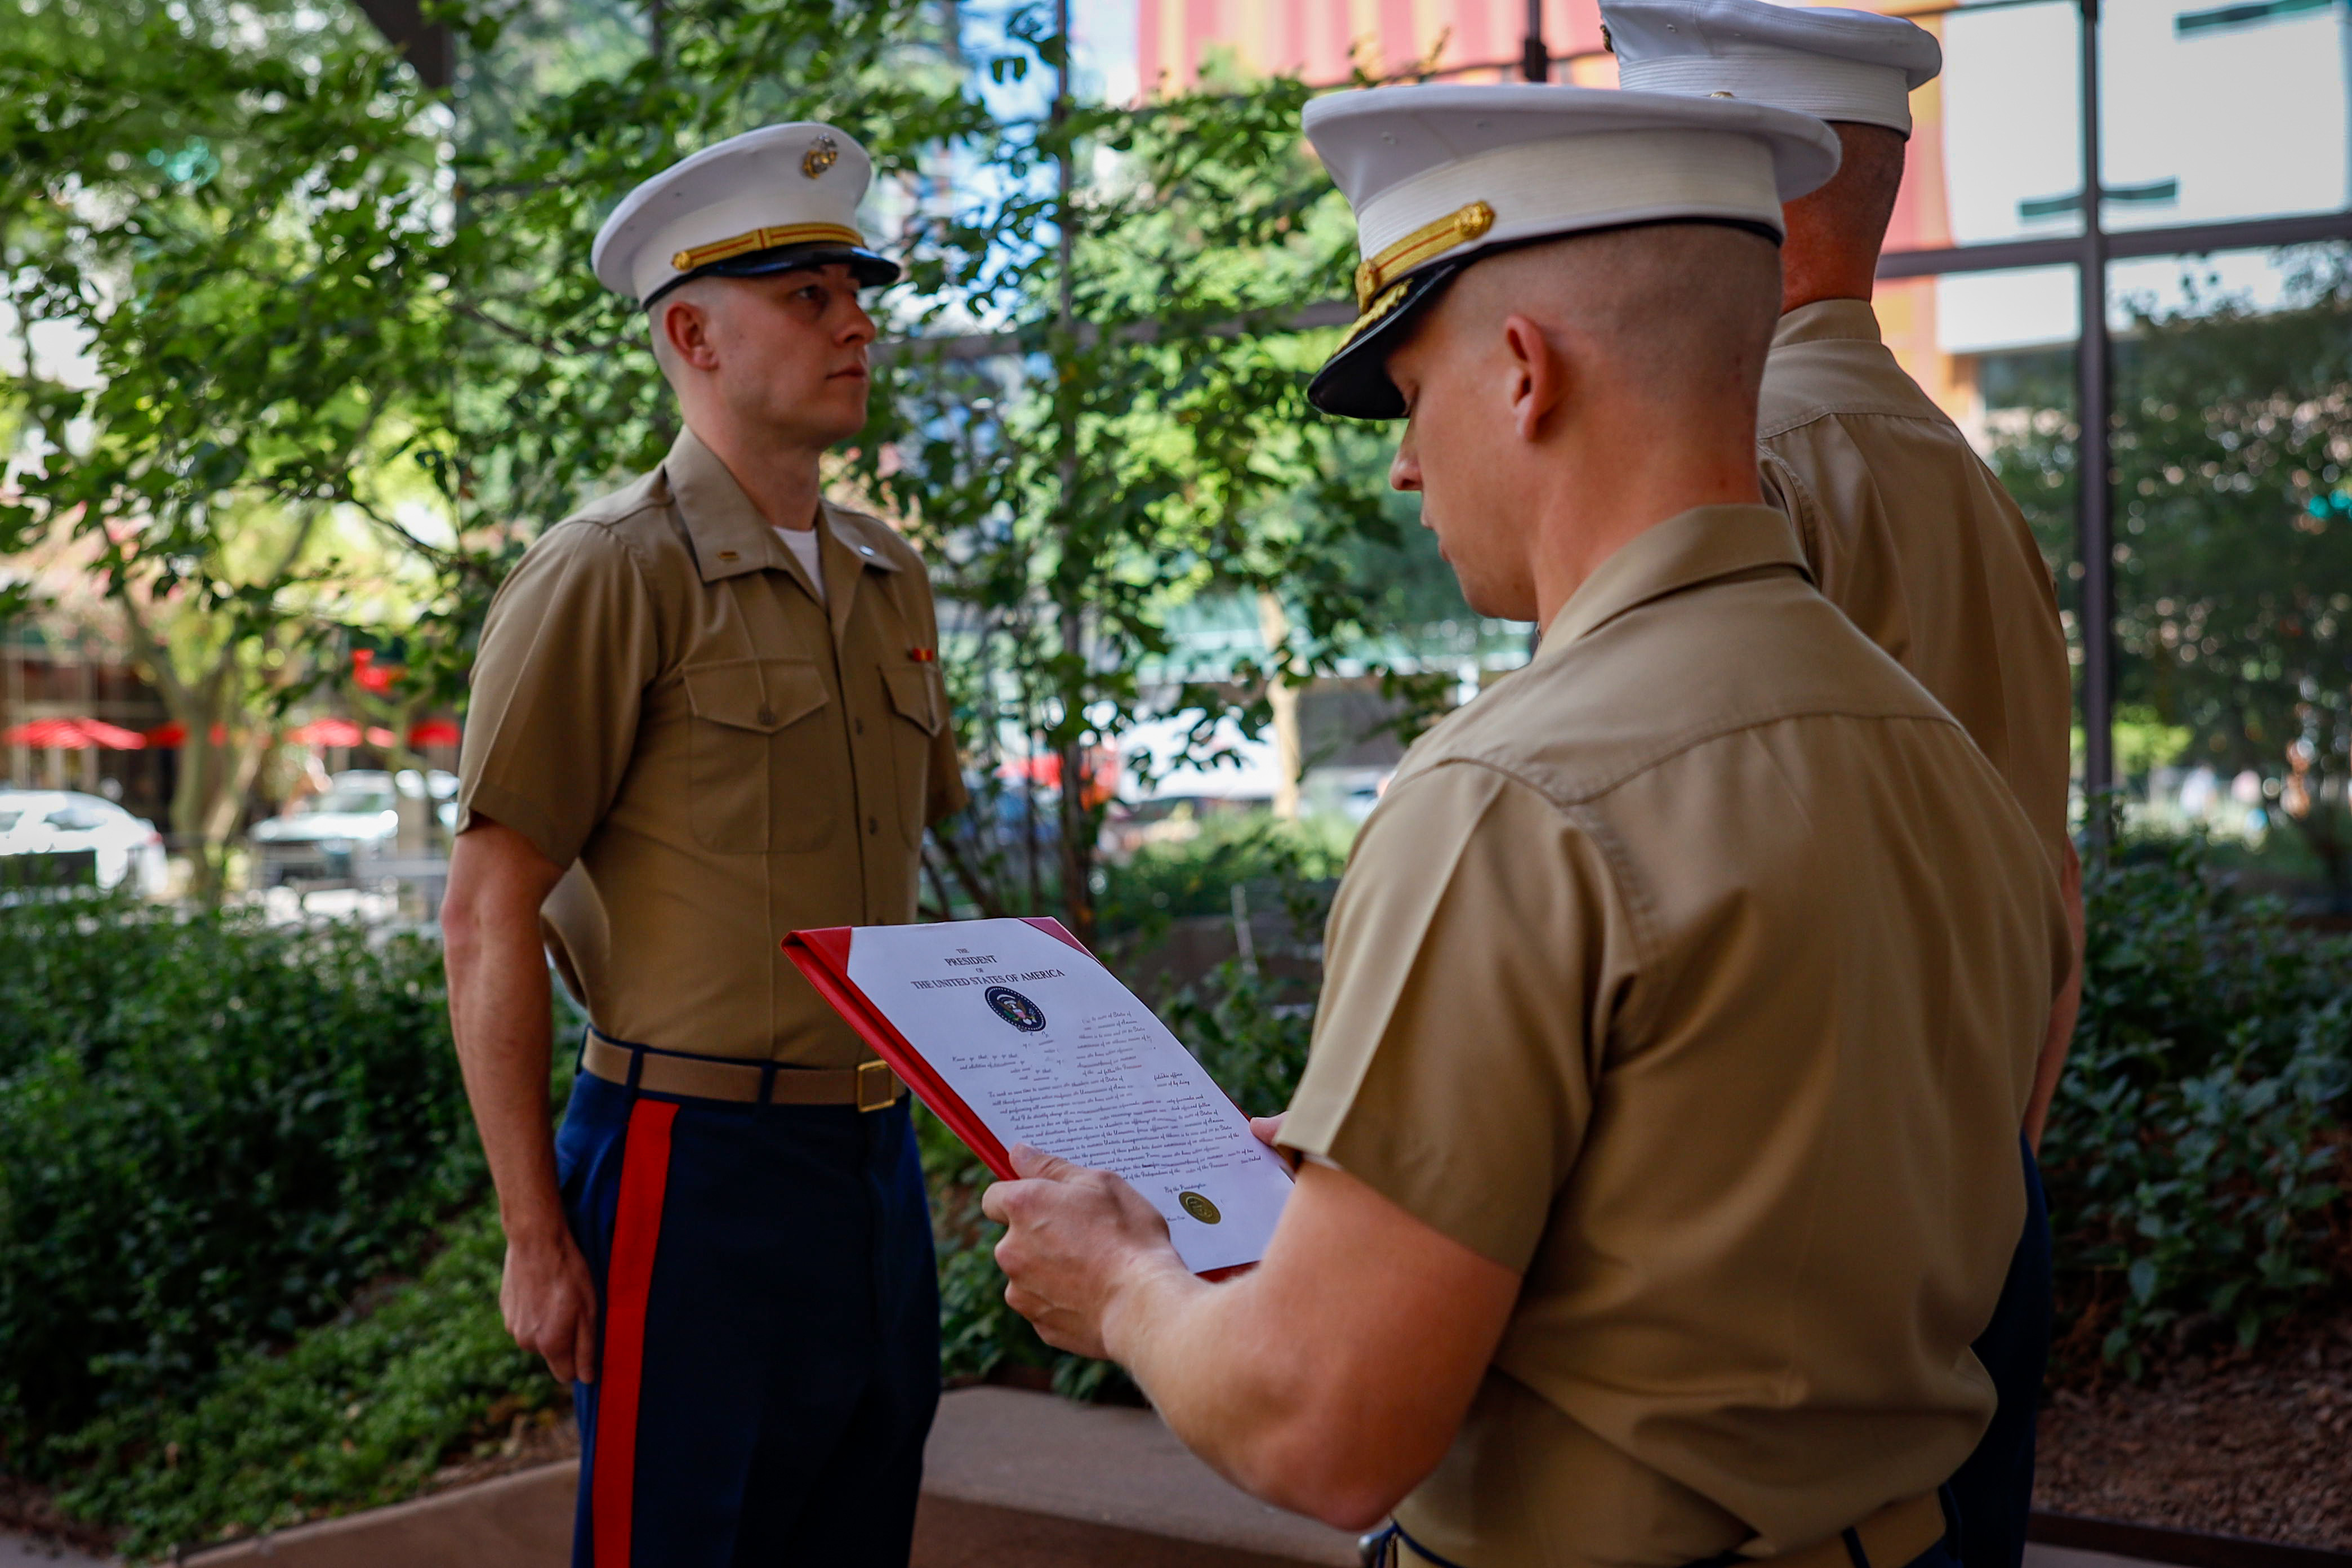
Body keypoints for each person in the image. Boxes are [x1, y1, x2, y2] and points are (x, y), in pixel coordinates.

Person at [981, 83, 2071, 1568]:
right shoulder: (1940, 755)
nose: (1406, 464)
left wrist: (1119, 1287)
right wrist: (1391, 1196)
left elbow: (1326, 1429)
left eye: (1413, 396)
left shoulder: (1507, 797)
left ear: (1521, 372)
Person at [440, 122, 965, 1568]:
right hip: (691, 1164)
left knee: (858, 1533)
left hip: (873, 1161)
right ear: (693, 334)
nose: (857, 320)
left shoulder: (885, 573)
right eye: (809, 295)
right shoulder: (612, 573)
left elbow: (912, 891)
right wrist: (536, 1236)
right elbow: (488, 917)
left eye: (858, 290)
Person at [1602, 8, 2083, 1561]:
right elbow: (2049, 896)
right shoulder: (1957, 469)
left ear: (1721, 181)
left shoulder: (1748, 457)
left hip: (1803, 1249)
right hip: (1975, 1188)